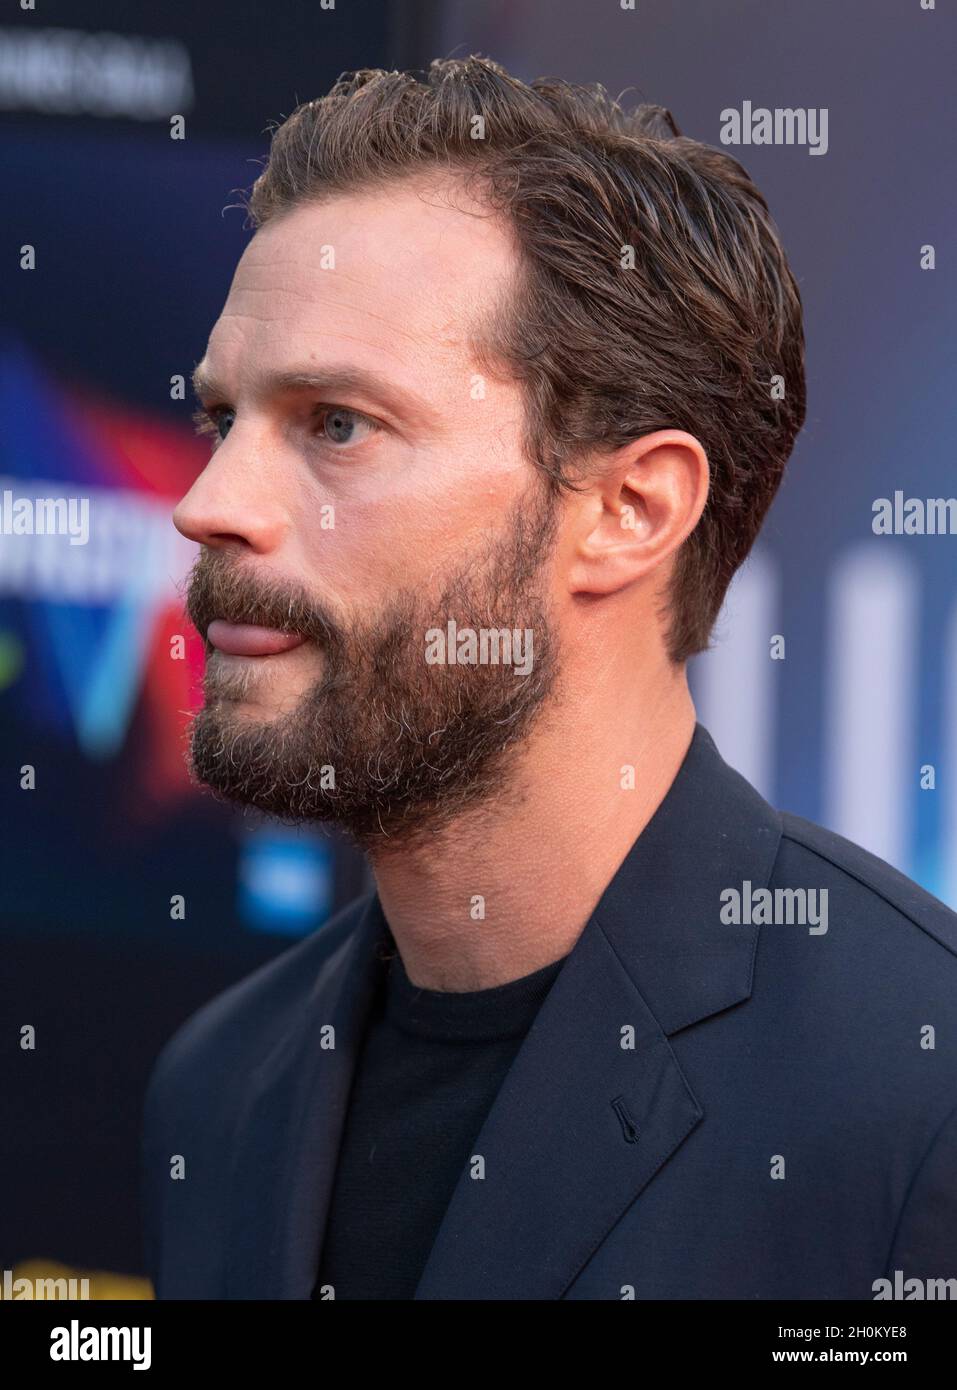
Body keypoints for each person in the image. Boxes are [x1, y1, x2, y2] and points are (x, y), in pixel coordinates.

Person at [140, 56, 957, 1300]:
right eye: (222, 421)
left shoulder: (920, 1089)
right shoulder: (219, 1084)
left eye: (338, 425)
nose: (208, 506)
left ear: (631, 508)